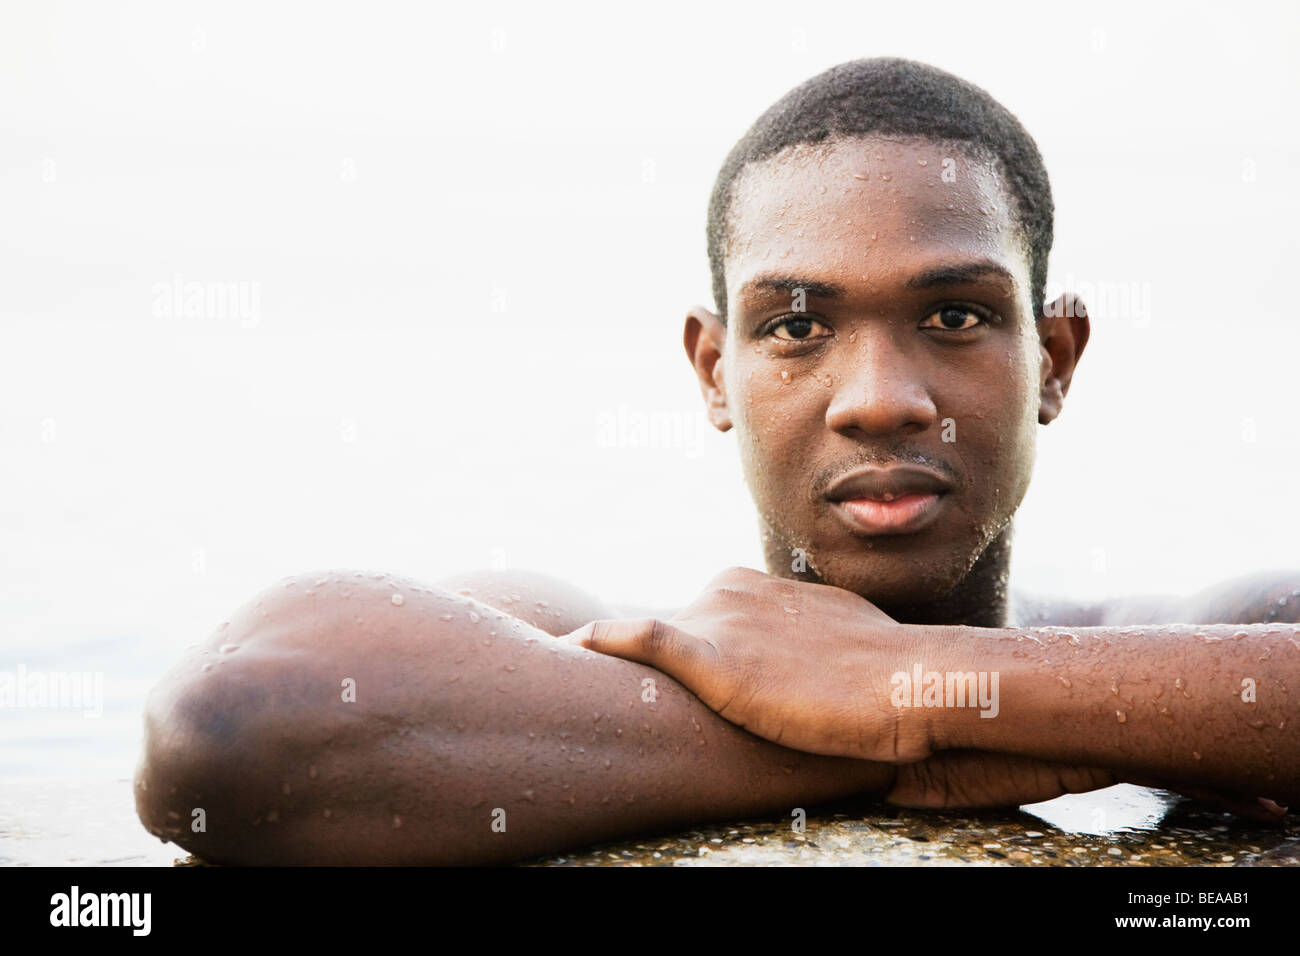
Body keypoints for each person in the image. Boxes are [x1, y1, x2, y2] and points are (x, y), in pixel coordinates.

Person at [134, 57, 1298, 865]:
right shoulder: (591, 648)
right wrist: (894, 738)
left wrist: (912, 686)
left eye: (951, 317)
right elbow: (229, 728)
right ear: (711, 370)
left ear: (1052, 356)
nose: (880, 399)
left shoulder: (1214, 626)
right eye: (796, 326)